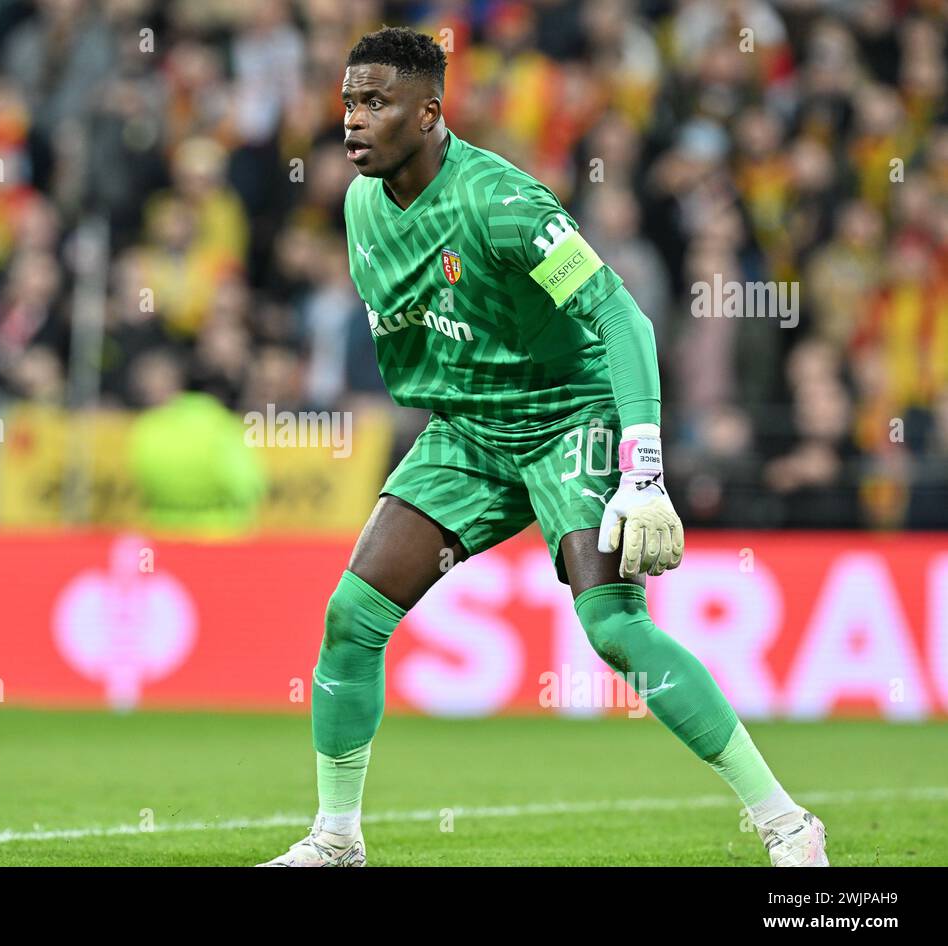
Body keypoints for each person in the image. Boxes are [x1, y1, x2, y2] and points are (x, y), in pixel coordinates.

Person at [259, 28, 826, 867]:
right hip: (472, 430)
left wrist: (642, 464)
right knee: (352, 617)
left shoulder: (502, 204)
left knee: (614, 629)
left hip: (570, 417)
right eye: (348, 101)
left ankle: (786, 823)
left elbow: (620, 316)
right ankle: (337, 840)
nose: (352, 120)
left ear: (428, 113)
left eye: (375, 103)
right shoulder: (357, 207)